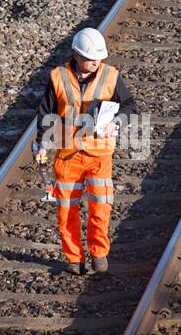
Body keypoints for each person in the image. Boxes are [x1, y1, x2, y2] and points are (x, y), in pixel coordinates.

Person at [32, 26, 136, 275]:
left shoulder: (110, 76)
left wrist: (116, 122)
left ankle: (99, 255)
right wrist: (43, 144)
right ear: (76, 55)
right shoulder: (58, 76)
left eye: (99, 58)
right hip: (67, 156)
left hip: (99, 155)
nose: (96, 62)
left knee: (101, 207)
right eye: (90, 58)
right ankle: (74, 259)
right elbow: (46, 113)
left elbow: (131, 106)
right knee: (66, 210)